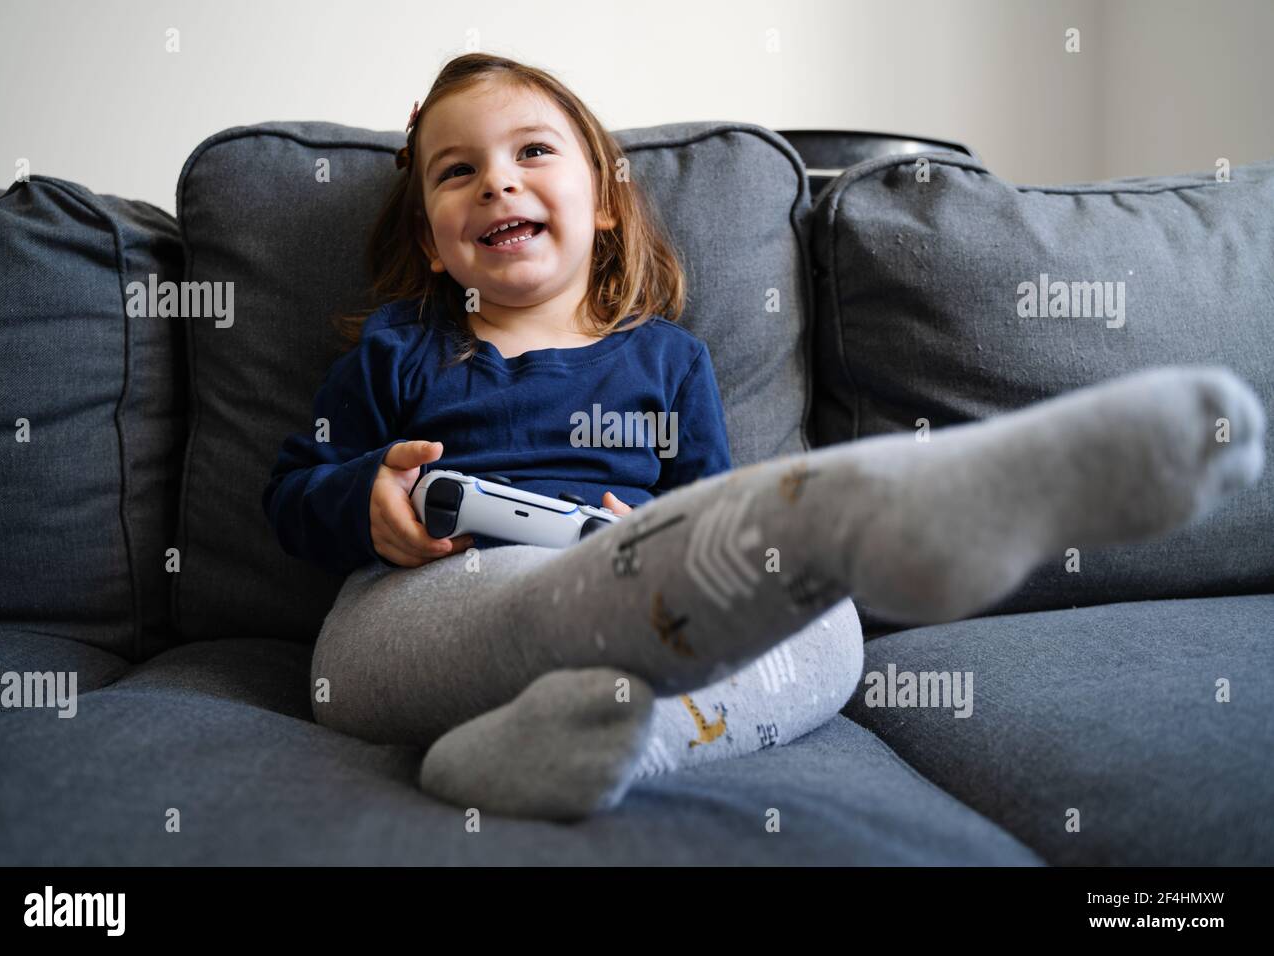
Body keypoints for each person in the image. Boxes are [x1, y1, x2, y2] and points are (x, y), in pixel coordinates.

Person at [262, 53, 1265, 822]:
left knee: (826, 628)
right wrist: (365, 498)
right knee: (529, 602)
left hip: (628, 585)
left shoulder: (666, 360)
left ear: (603, 202)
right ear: (434, 243)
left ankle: (601, 737)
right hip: (434, 608)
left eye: (531, 153)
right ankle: (792, 541)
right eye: (458, 171)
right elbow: (292, 489)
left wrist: (651, 536)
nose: (497, 183)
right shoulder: (399, 347)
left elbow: (707, 506)